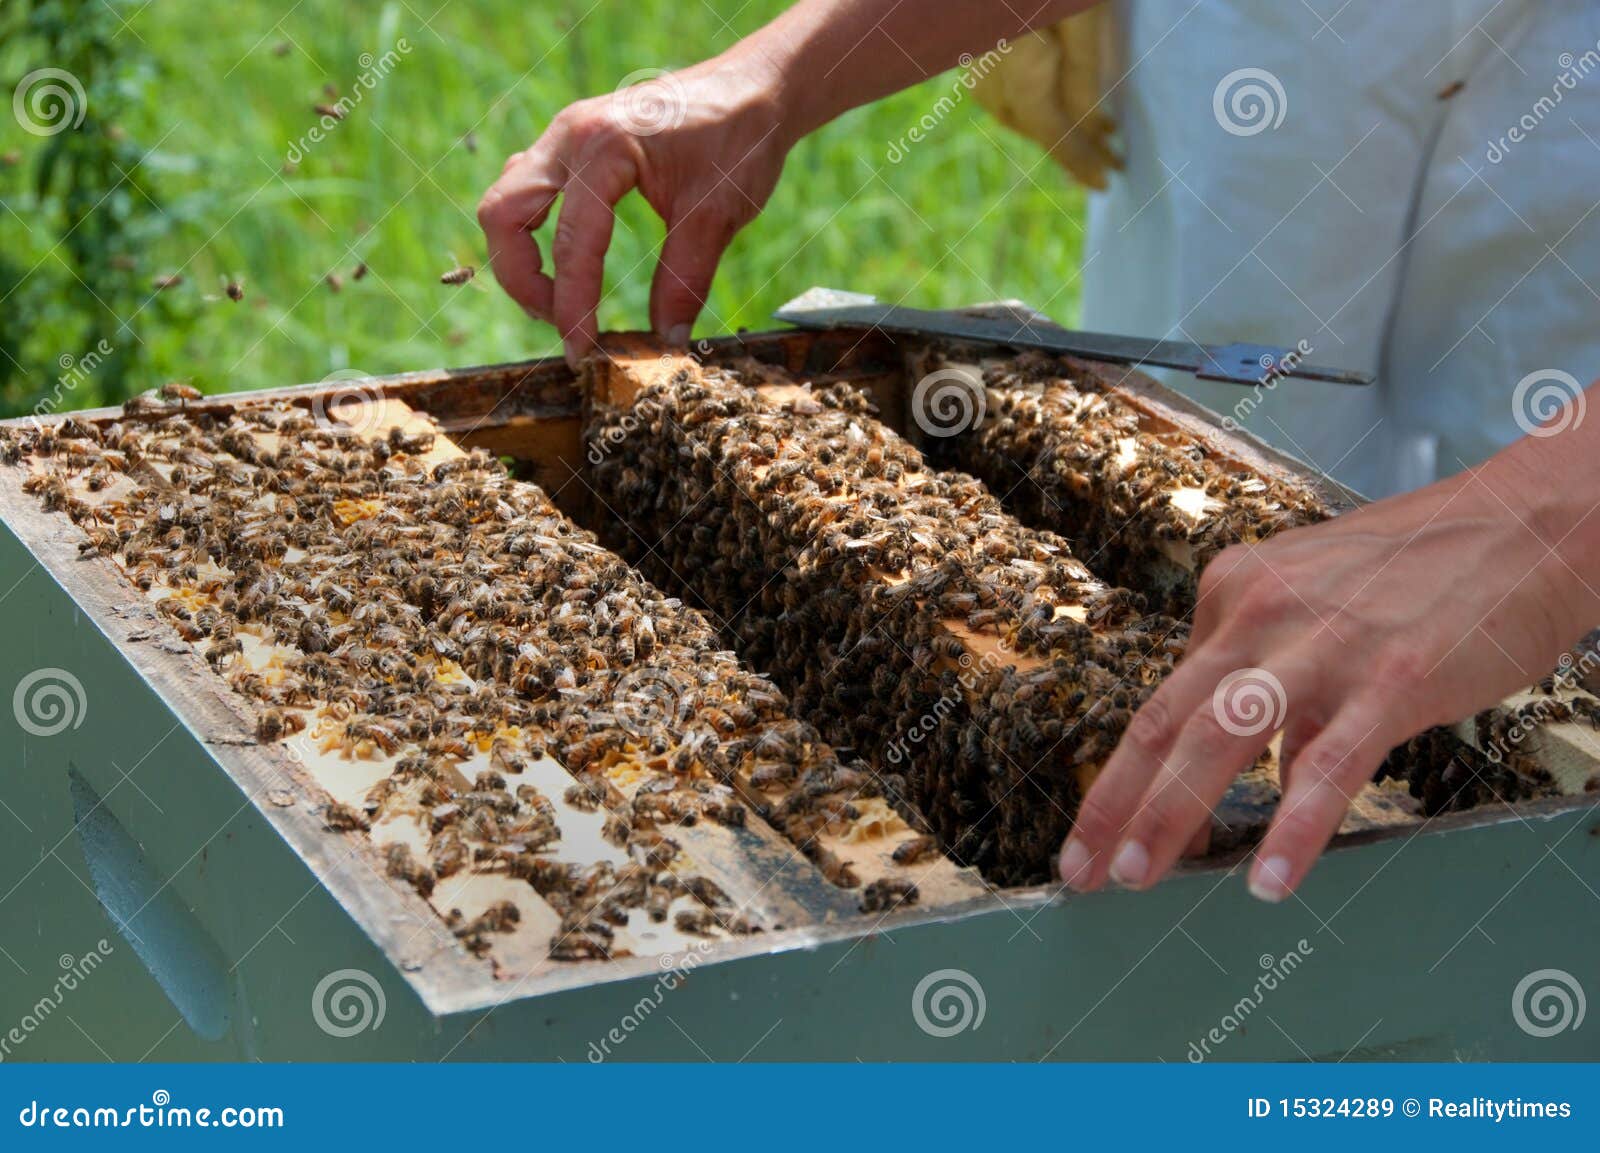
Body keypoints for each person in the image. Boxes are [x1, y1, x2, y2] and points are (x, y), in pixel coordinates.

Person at [477, 0, 1600, 904]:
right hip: (1265, 41)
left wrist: (1557, 517)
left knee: (1532, 707)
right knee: (1214, 504)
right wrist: (787, 67)